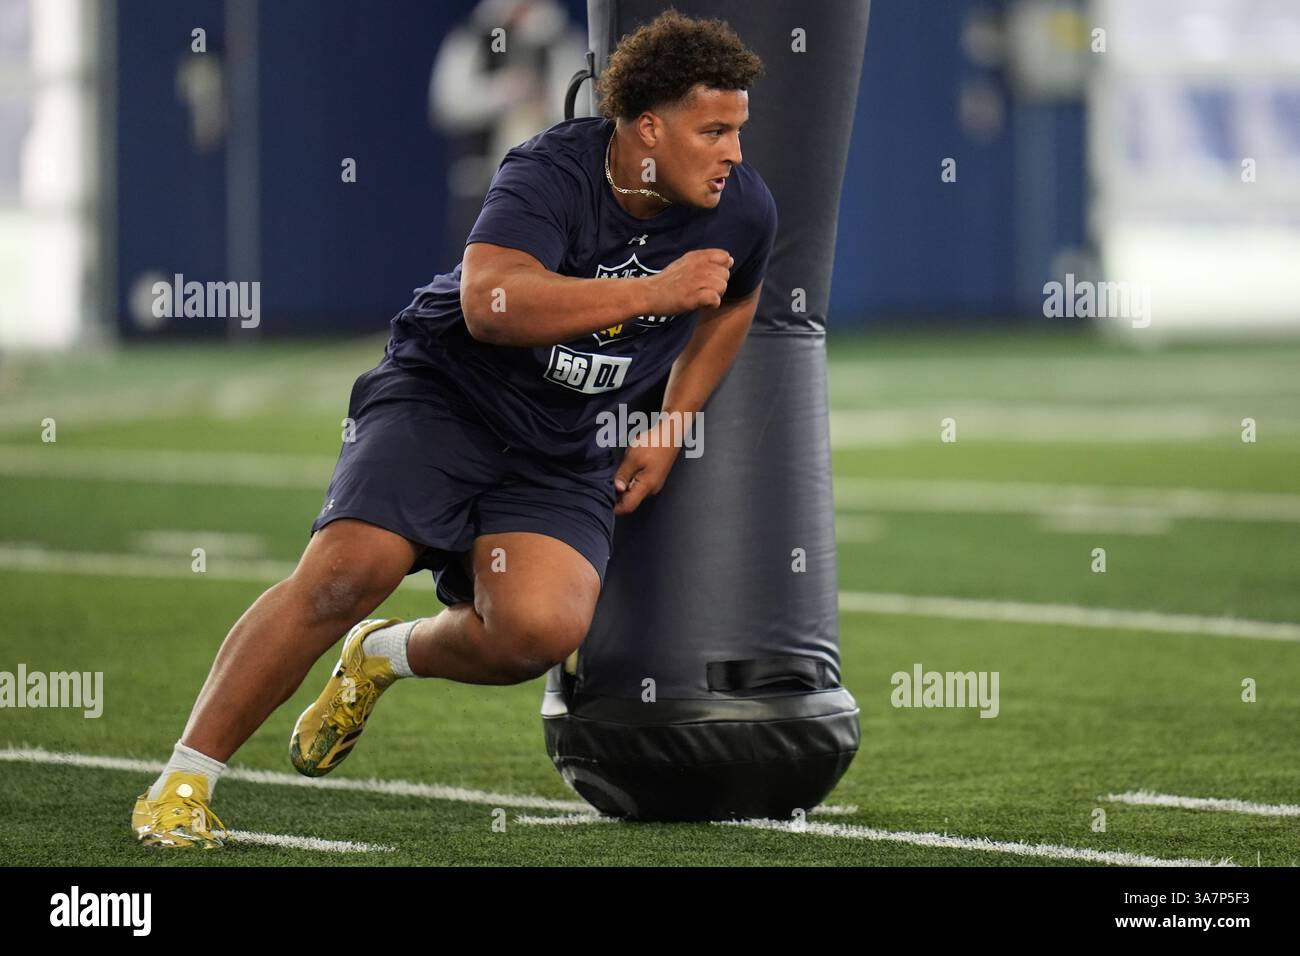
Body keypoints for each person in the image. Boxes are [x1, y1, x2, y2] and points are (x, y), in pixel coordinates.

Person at [131, 9, 777, 848]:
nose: (733, 151)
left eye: (739, 131)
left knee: (535, 633)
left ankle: (381, 655)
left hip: (564, 439)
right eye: (714, 130)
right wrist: (651, 292)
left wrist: (667, 425)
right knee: (345, 573)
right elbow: (490, 303)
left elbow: (735, 303)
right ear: (649, 127)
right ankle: (183, 780)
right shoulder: (549, 171)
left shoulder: (742, 208)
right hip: (450, 397)